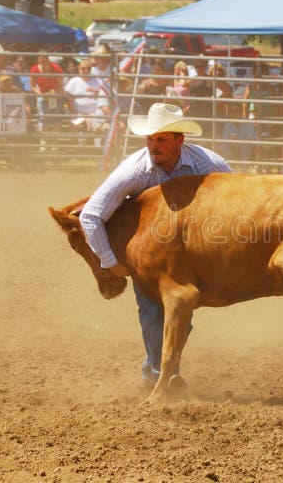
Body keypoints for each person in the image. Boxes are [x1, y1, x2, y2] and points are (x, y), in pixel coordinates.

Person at [79, 103, 232, 387]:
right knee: (151, 311)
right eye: (150, 139)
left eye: (161, 140)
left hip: (191, 253)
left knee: (181, 318)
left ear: (179, 140)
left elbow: (236, 198)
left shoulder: (208, 165)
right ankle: (159, 373)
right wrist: (111, 263)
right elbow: (90, 215)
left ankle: (160, 370)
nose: (154, 146)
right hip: (148, 252)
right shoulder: (136, 170)